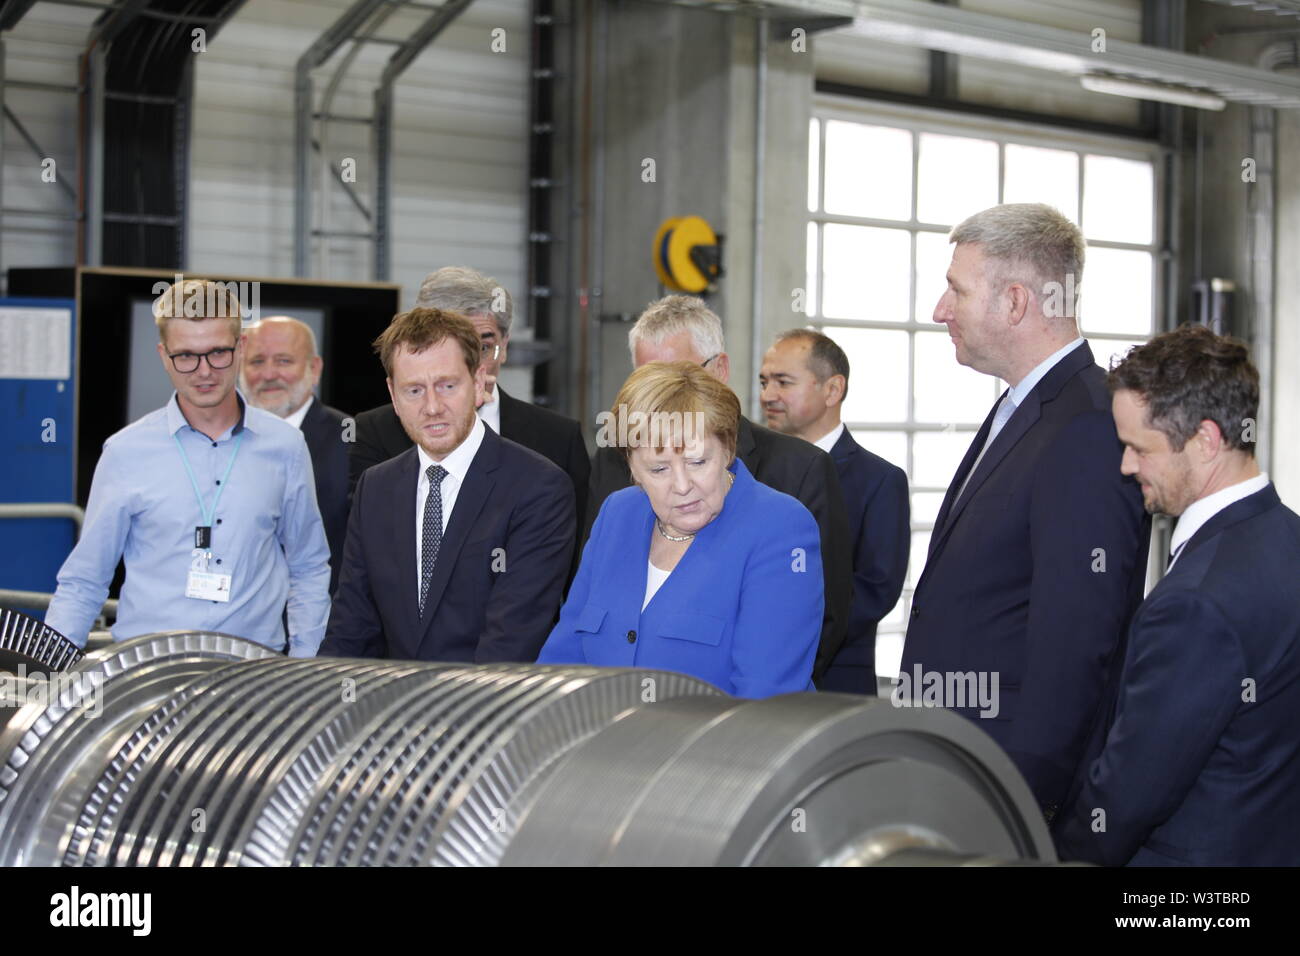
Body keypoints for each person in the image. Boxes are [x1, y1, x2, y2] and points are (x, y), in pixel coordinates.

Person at [899, 203, 1150, 820]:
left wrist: (1025, 802)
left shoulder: (1089, 422)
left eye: (956, 290)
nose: (939, 310)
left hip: (1010, 780)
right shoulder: (1026, 406)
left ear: (1014, 302)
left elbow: (1077, 640)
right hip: (964, 758)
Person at [1054, 326, 1300, 866]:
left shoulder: (1197, 602)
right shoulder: (1287, 537)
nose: (1125, 466)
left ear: (1206, 441)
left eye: (1139, 448)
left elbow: (1131, 793)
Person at [44, 278, 331, 655]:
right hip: (148, 674)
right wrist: (46, 679)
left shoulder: (285, 446)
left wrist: (305, 668)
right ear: (164, 356)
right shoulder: (125, 452)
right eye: (186, 356)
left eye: (217, 352)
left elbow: (309, 567)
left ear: (241, 347)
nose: (204, 371)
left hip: (254, 677)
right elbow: (84, 581)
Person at [585, 296, 852, 681]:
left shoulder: (800, 470)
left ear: (719, 369)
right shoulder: (613, 465)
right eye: (648, 377)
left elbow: (821, 622)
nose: (661, 394)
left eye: (676, 374)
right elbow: (589, 602)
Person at [539, 361, 822, 697]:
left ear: (728, 449)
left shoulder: (781, 527)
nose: (682, 485)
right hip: (602, 744)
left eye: (697, 462)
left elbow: (764, 697)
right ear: (632, 467)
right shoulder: (618, 514)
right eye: (658, 469)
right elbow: (565, 658)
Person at [320, 307, 575, 662]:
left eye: (447, 385)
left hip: (485, 709)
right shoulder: (375, 488)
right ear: (393, 395)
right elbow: (352, 625)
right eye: (414, 390)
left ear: (479, 381)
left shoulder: (539, 489)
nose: (432, 407)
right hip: (390, 707)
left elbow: (511, 641)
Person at [348, 267, 589, 539]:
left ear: (505, 345)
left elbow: (575, 551)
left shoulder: (558, 439)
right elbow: (369, 544)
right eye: (457, 350)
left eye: (483, 347)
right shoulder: (374, 432)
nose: (474, 364)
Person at [760, 329, 909, 696]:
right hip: (754, 674)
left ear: (832, 389)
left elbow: (875, 590)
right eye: (764, 382)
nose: (767, 396)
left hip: (835, 680)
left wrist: (791, 635)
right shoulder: (748, 469)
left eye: (783, 382)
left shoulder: (879, 480)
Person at [241, 316, 350, 593]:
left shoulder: (353, 442)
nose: (268, 374)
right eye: (256, 362)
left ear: (314, 369)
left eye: (283, 361)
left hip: (323, 619)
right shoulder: (219, 439)